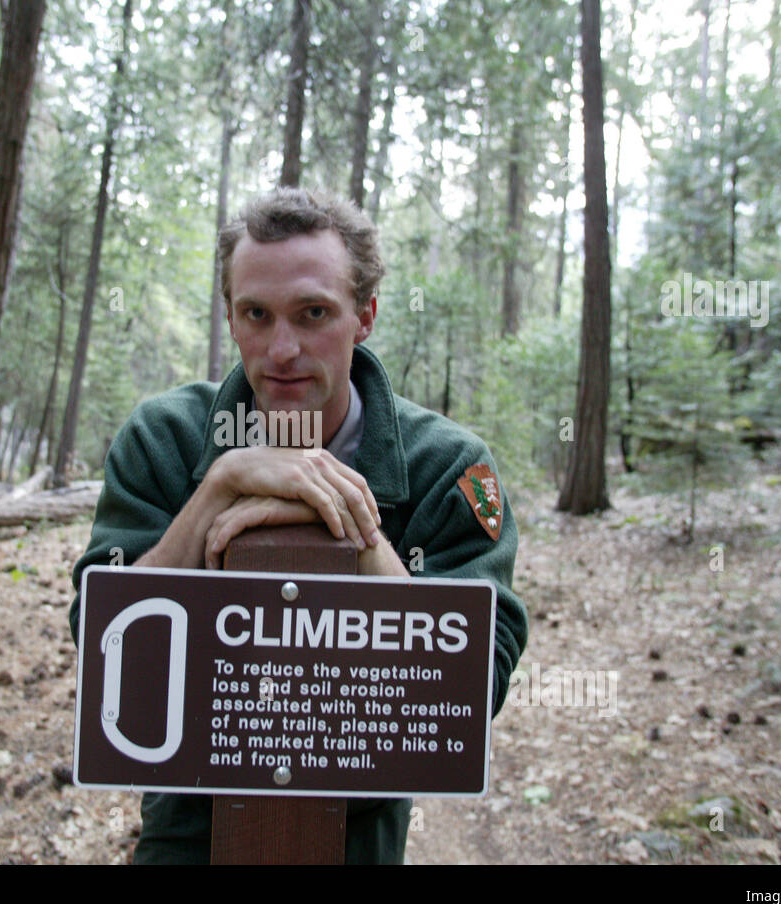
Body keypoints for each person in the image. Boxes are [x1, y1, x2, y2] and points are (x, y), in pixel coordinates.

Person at [68, 187, 528, 864]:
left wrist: (353, 530)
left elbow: (471, 689)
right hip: (188, 828)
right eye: (257, 314)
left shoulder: (447, 467)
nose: (282, 349)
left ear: (364, 316)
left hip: (358, 833)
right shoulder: (165, 439)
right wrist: (218, 487)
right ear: (230, 316)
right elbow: (105, 653)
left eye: (313, 314)